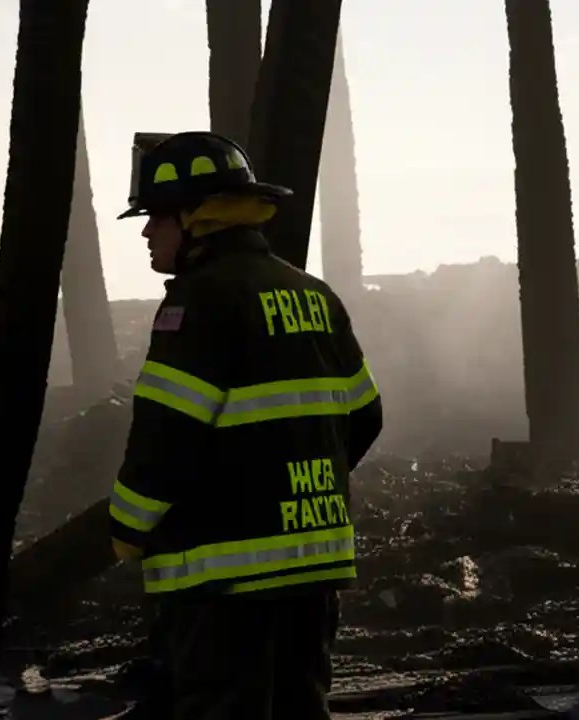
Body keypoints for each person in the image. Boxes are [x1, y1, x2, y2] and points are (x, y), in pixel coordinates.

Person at [108, 131, 383, 719]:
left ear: (196, 219)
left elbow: (165, 437)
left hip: (225, 581)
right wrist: (293, 475)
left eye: (155, 217)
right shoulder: (315, 296)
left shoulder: (198, 303)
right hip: (313, 565)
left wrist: (128, 528)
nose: (145, 232)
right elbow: (364, 415)